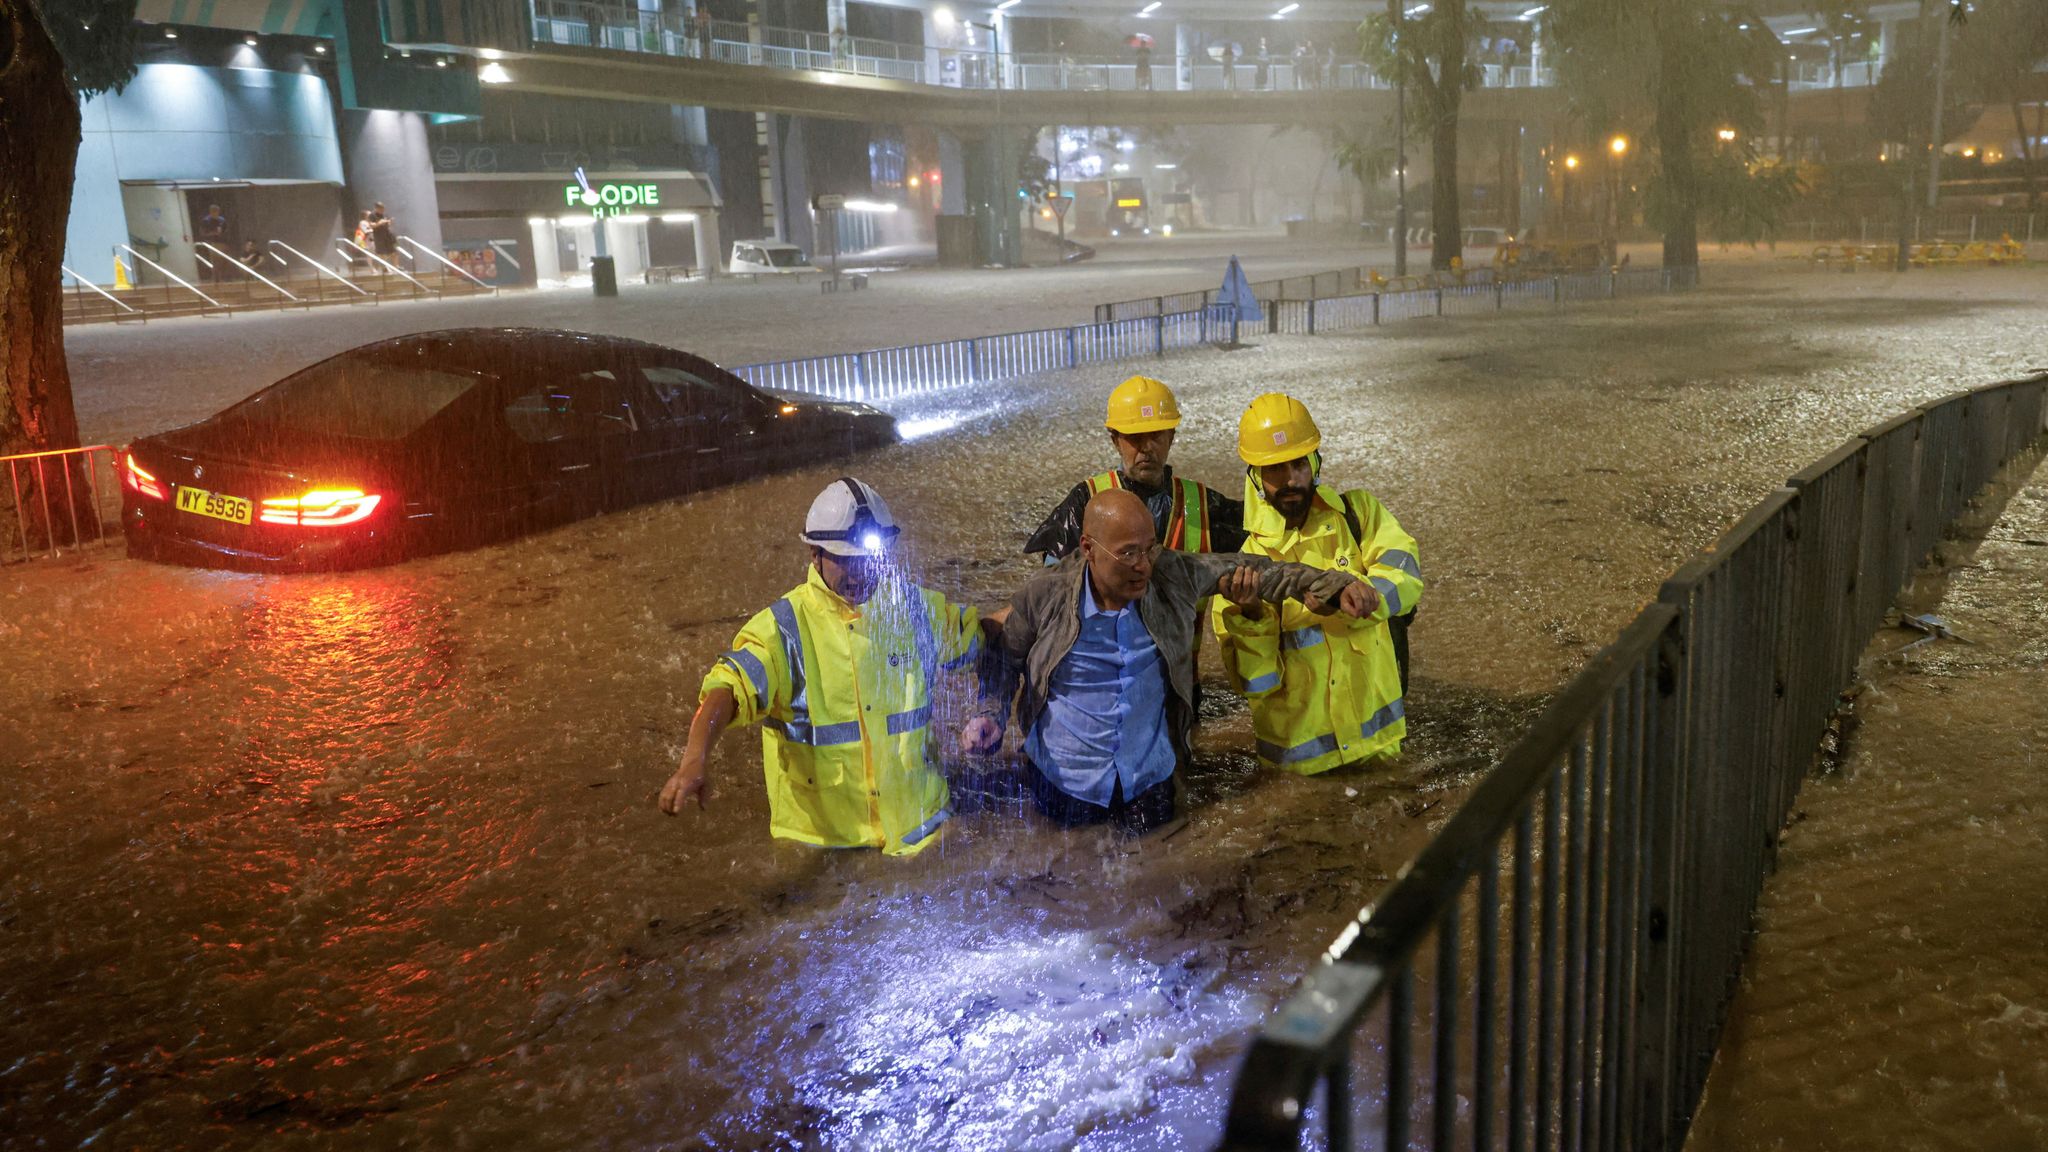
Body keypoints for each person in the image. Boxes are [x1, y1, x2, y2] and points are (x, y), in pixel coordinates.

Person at [964, 488, 1372, 831]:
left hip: (1149, 783)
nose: (1143, 565)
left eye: (1149, 548)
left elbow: (1261, 570)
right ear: (1088, 548)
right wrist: (990, 713)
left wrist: (1334, 585)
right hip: (1064, 784)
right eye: (1128, 554)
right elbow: (1005, 659)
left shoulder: (1171, 574)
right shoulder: (1045, 595)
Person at [658, 478, 987, 856]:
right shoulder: (783, 629)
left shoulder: (916, 609)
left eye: (871, 559)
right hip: (826, 849)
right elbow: (728, 691)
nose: (861, 573)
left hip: (923, 833)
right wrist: (695, 759)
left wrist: (1038, 601)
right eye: (846, 560)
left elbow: (985, 638)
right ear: (814, 554)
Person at [1211, 394, 1423, 777]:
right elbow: (1255, 684)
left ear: (1316, 462)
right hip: (1301, 771)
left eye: (1299, 463)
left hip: (1379, 747)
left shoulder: (1359, 514)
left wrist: (1363, 597)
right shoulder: (1244, 565)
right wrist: (1252, 614)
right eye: (1275, 469)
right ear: (1255, 476)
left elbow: (1406, 577)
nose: (1291, 479)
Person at [1024, 375, 1247, 561]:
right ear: (1115, 441)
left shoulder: (1203, 504)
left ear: (1171, 437)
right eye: (1135, 437)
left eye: (1155, 435)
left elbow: (1258, 532)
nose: (1147, 447)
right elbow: (1053, 582)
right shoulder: (1086, 500)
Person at [197, 203, 227, 281]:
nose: (216, 213)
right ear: (211, 212)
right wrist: (212, 233)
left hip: (221, 242)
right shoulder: (206, 221)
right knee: (214, 261)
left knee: (221, 261)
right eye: (214, 211)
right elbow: (202, 233)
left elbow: (225, 230)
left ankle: (221, 277)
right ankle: (215, 278)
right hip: (212, 242)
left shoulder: (222, 220)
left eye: (217, 211)